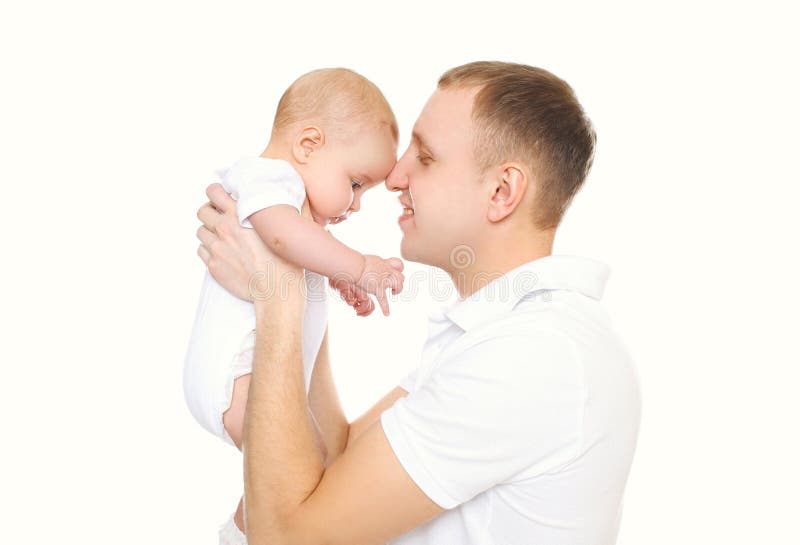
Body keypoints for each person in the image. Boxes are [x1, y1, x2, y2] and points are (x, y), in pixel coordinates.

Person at [196, 61, 641, 545]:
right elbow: (334, 456)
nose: (394, 177)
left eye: (425, 157)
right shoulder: (500, 337)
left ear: (501, 192)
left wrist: (275, 294)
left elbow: (286, 537)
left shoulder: (533, 357)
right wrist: (307, 271)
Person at [184, 68, 404, 544]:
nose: (357, 204)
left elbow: (296, 256)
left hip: (249, 375)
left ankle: (241, 532)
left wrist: (339, 279)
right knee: (300, 474)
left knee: (311, 464)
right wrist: (358, 266)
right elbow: (282, 235)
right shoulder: (268, 177)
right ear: (308, 144)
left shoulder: (293, 204)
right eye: (357, 182)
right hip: (233, 376)